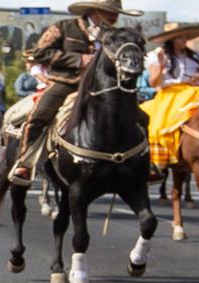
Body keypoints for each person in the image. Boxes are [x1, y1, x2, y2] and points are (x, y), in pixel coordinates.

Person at [9, 0, 139, 187]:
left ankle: (143, 163)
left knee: (140, 117)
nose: (115, 16)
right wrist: (79, 60)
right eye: (109, 11)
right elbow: (40, 53)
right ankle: (25, 163)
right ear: (95, 11)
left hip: (105, 87)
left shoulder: (117, 35)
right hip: (67, 83)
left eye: (117, 12)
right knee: (38, 116)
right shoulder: (63, 27)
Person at [137, 21, 199, 181]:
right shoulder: (159, 56)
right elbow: (154, 83)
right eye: (180, 37)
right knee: (157, 126)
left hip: (195, 91)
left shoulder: (195, 56)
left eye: (185, 37)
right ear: (171, 40)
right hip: (170, 94)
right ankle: (158, 162)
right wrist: (161, 66)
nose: (184, 40)